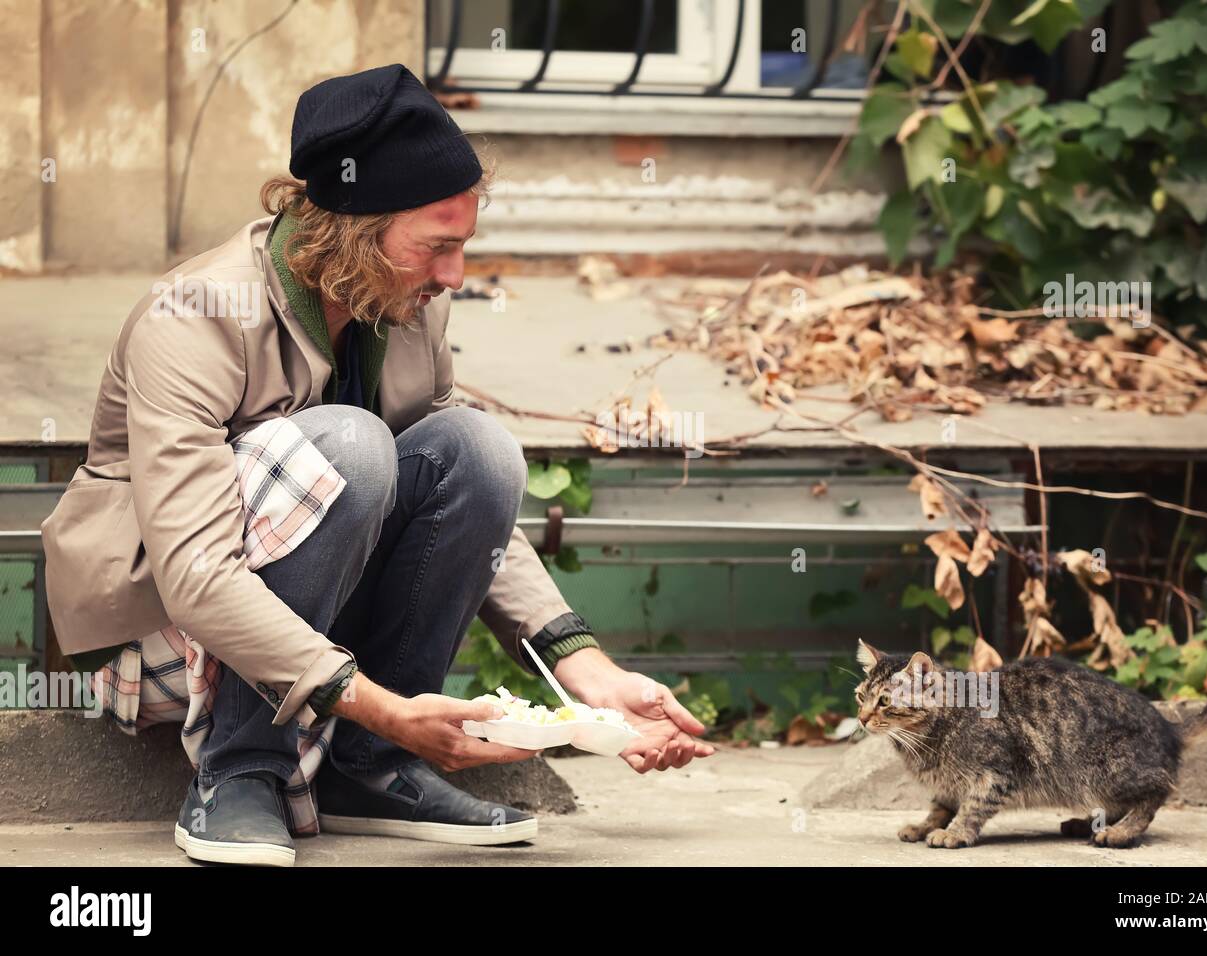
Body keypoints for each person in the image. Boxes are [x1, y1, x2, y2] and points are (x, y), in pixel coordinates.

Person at [41, 63, 713, 867]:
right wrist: (379, 706)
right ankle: (241, 768)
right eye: (438, 248)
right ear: (354, 231)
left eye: (462, 247)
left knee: (477, 447)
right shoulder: (195, 316)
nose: (455, 276)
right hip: (154, 640)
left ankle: (365, 772)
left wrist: (587, 670)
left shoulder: (400, 301)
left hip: (302, 635)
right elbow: (195, 574)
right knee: (350, 446)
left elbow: (461, 487)